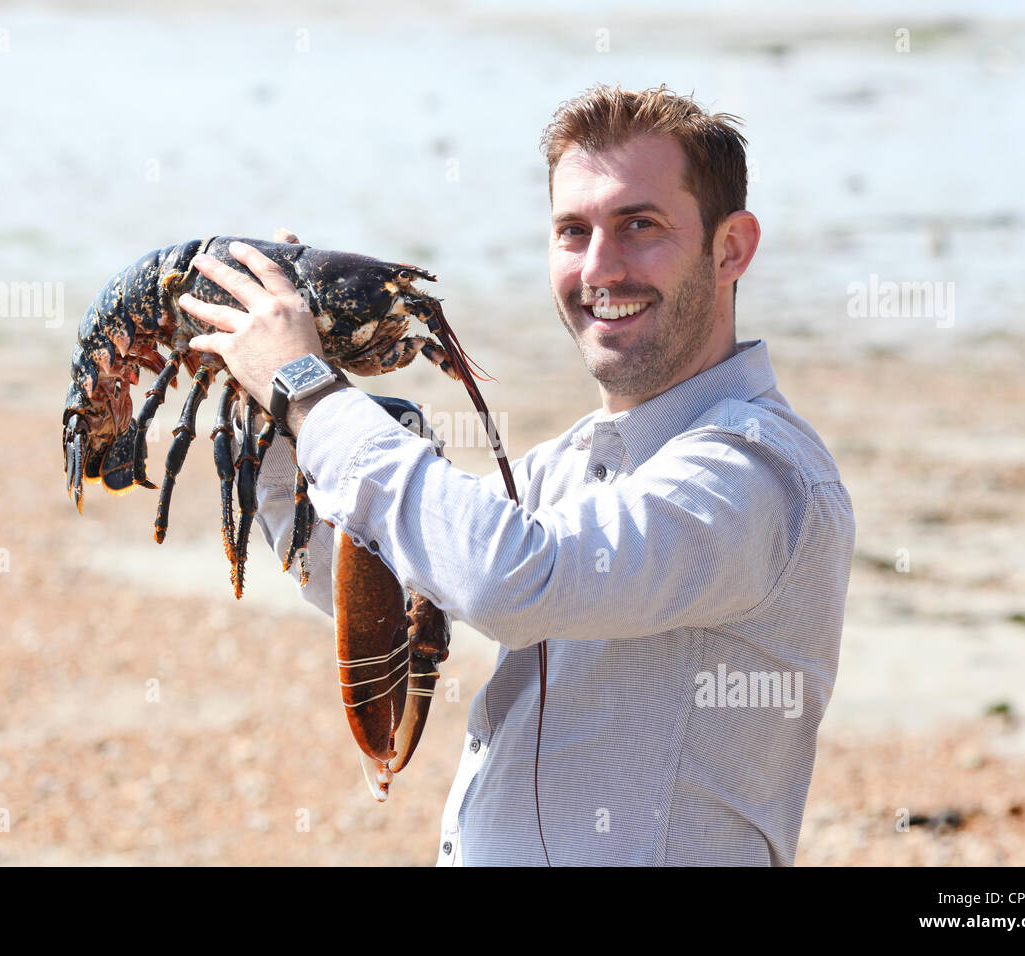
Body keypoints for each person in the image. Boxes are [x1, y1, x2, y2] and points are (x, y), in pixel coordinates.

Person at [182, 84, 855, 866]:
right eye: (573, 232)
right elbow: (382, 580)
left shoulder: (756, 472)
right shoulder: (576, 465)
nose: (600, 268)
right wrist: (268, 411)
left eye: (640, 225)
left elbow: (510, 579)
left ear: (731, 248)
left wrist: (309, 390)